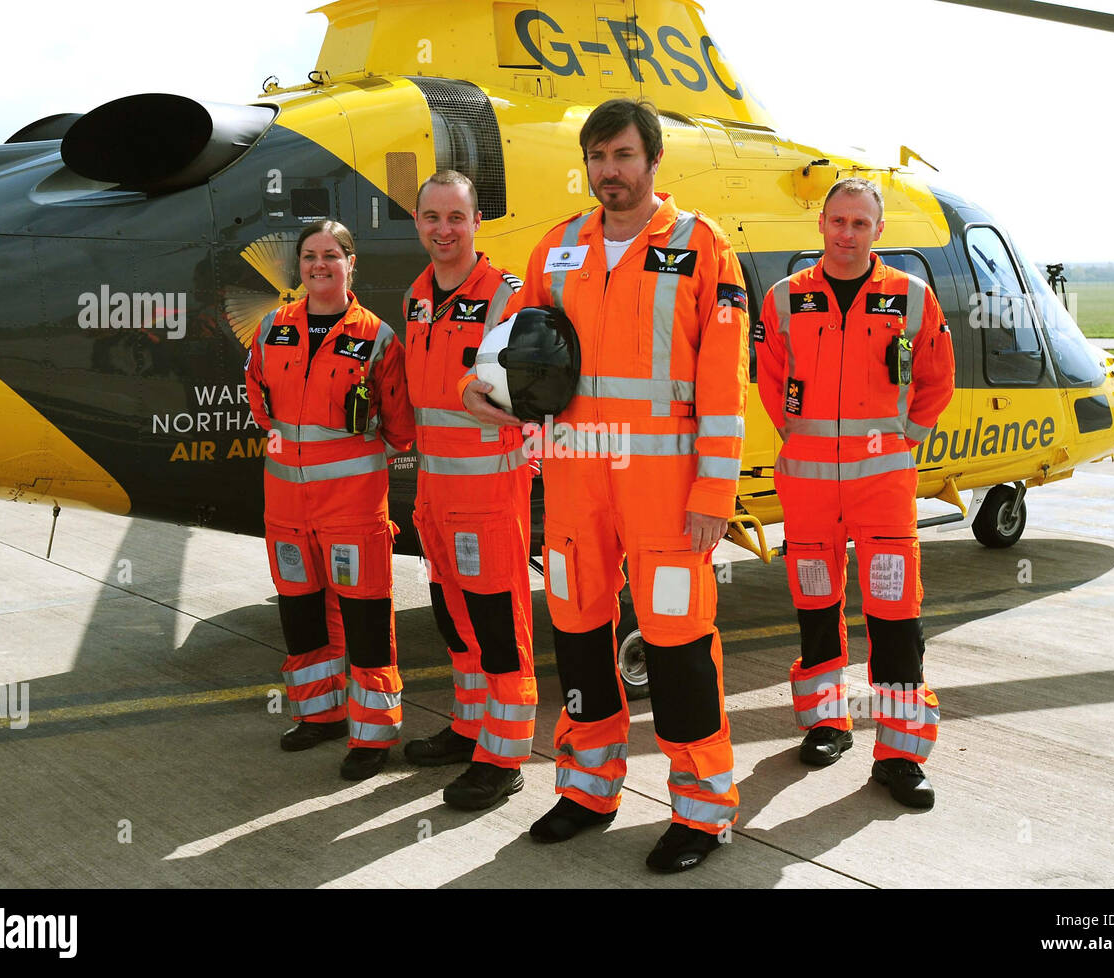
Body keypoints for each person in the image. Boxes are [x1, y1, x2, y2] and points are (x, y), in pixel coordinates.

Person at [465, 98, 748, 872]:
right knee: (582, 636)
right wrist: (484, 388)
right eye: (596, 158)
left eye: (622, 156)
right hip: (573, 482)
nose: (608, 172)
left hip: (664, 489)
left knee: (679, 647)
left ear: (654, 160)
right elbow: (521, 353)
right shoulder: (556, 248)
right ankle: (588, 790)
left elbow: (725, 386)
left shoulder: (702, 249)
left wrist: (713, 495)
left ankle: (701, 810)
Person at [754, 177, 954, 808]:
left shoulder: (912, 298)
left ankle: (898, 754)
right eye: (837, 222)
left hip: (882, 483)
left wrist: (903, 437)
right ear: (821, 224)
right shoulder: (786, 299)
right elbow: (770, 378)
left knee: (896, 615)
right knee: (816, 605)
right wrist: (801, 436)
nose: (846, 234)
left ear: (878, 232)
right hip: (808, 481)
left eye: (859, 224)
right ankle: (824, 722)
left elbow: (935, 377)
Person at [245, 219, 415, 782]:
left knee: (366, 621)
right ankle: (319, 715)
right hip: (287, 508)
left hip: (352, 507)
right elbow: (257, 392)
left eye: (331, 256)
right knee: (300, 612)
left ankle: (372, 738)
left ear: (350, 264)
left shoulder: (378, 338)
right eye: (310, 256)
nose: (320, 265)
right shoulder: (273, 327)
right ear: (300, 266)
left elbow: (400, 424)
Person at [401, 170, 537, 811]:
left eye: (455, 217)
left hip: (488, 496)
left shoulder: (506, 299)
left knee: (499, 626)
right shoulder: (417, 297)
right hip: (435, 496)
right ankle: (469, 726)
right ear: (419, 222)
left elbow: (533, 397)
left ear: (476, 222)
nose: (443, 230)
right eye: (431, 217)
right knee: (456, 624)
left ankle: (504, 755)